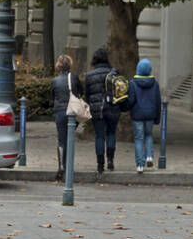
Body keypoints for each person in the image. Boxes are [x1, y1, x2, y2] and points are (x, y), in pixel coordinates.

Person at [85, 46, 123, 176]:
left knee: (99, 136)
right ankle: (111, 160)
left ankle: (100, 164)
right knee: (111, 133)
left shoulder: (89, 76)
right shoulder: (114, 73)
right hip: (113, 108)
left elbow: (87, 95)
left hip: (97, 110)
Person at [50, 53, 84, 181]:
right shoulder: (74, 78)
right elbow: (81, 92)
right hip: (72, 111)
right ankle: (68, 164)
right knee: (70, 138)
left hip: (59, 111)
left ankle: (61, 165)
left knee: (61, 139)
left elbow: (52, 96)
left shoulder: (55, 81)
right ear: (69, 65)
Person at [127, 57, 162, 171]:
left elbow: (131, 100)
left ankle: (140, 165)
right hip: (150, 114)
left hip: (137, 114)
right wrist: (157, 117)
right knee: (149, 135)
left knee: (138, 138)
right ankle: (149, 156)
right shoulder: (155, 84)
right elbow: (158, 102)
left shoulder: (133, 83)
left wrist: (126, 108)